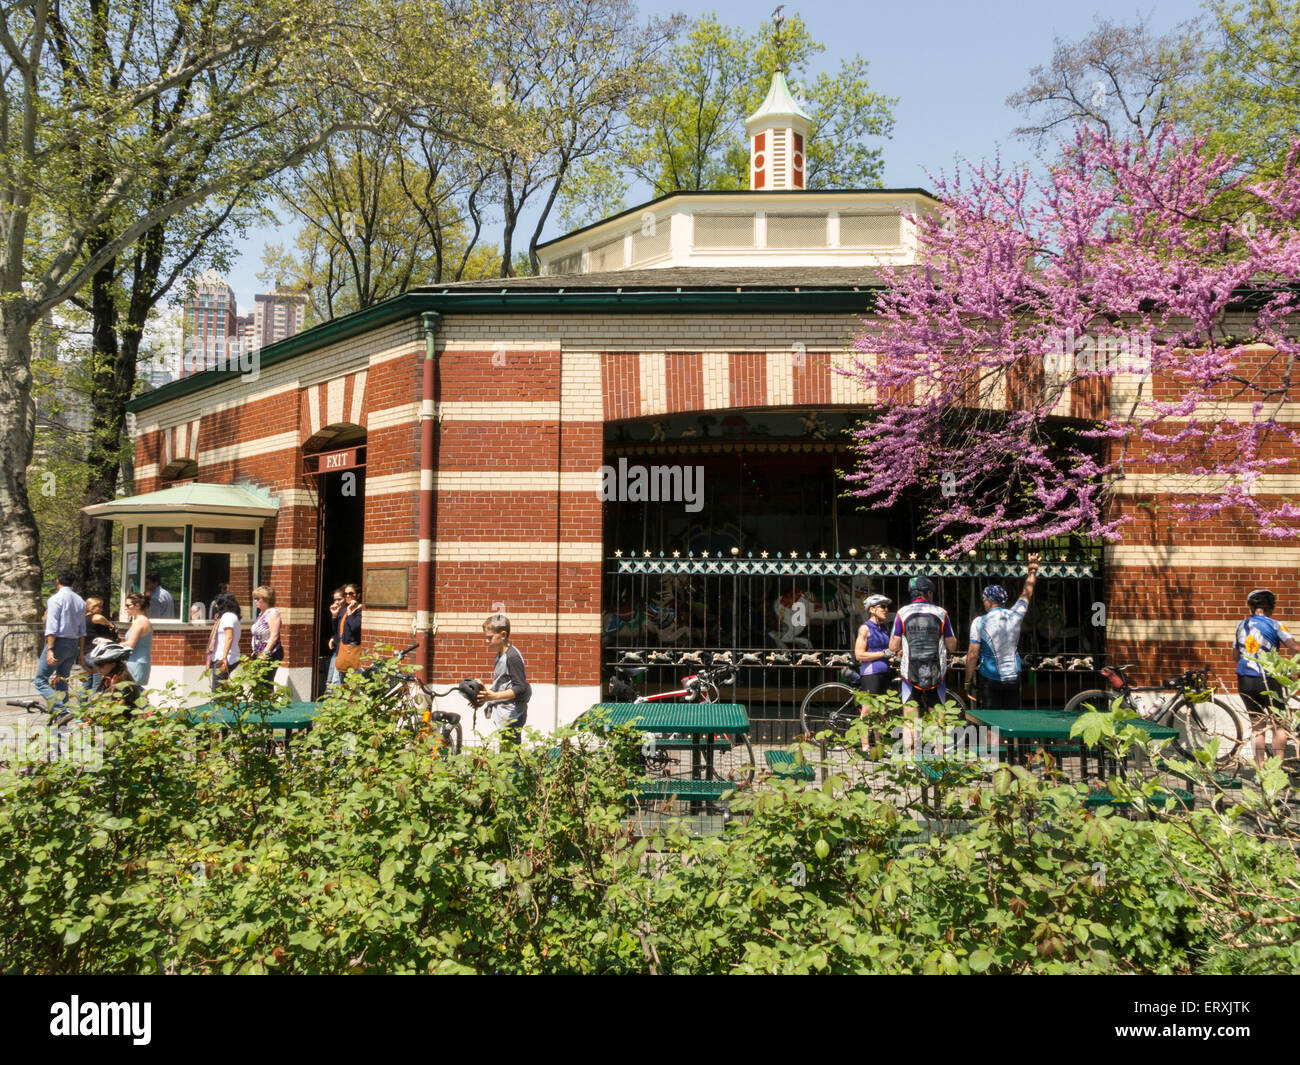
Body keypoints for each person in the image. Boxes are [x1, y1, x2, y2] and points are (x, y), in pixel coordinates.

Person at [965, 553, 1041, 709]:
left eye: (984, 599)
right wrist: (1032, 570)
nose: (984, 602)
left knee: (991, 724)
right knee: (1010, 720)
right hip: (1013, 676)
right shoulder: (1015, 615)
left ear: (990, 601)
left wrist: (967, 680)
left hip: (990, 677)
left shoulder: (979, 622)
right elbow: (1027, 593)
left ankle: (993, 735)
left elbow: (972, 654)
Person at [1235, 588, 1297, 769]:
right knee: (1279, 725)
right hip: (1268, 679)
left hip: (1245, 680)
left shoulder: (1241, 625)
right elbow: (1293, 646)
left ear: (1252, 607)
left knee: (1257, 727)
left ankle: (1260, 771)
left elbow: (1234, 656)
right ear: (1271, 608)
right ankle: (1276, 769)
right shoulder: (1276, 624)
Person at [888, 576, 958, 710]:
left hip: (910, 671)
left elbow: (893, 646)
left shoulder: (902, 613)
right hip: (936, 673)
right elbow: (952, 646)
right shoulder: (941, 613)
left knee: (910, 720)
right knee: (937, 718)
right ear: (929, 593)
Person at [34, 570, 86, 708]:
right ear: (73, 583)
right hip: (73, 644)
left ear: (57, 581)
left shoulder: (55, 600)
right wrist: (80, 653)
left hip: (58, 643)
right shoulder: (80, 601)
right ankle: (62, 721)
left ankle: (59, 708)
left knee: (40, 681)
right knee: (62, 681)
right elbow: (82, 630)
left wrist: (50, 649)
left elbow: (52, 626)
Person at [477, 613, 529, 745]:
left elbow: (520, 688)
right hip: (504, 712)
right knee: (506, 755)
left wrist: (493, 696)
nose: (486, 641)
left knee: (510, 759)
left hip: (513, 715)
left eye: (490, 638)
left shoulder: (512, 657)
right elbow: (503, 683)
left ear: (503, 635)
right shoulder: (500, 654)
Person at [854, 594, 895, 697]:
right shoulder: (865, 628)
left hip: (885, 673)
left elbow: (889, 650)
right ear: (872, 609)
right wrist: (882, 654)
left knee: (882, 710)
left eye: (887, 607)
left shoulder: (884, 628)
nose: (886, 610)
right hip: (871, 674)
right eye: (882, 607)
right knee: (869, 710)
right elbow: (859, 655)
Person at [87, 640, 141, 716]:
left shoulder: (123, 681)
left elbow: (116, 709)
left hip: (122, 724)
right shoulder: (109, 678)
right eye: (95, 664)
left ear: (113, 664)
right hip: (105, 723)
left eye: (100, 664)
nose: (97, 668)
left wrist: (98, 710)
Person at [250, 586, 283, 698]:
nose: (255, 601)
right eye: (254, 598)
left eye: (258, 598)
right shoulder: (261, 613)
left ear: (266, 599)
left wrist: (265, 653)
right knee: (257, 683)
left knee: (265, 683)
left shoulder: (273, 613)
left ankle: (268, 707)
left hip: (271, 653)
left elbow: (274, 636)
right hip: (258, 653)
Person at [82, 597, 120, 693]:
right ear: (92, 607)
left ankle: (81, 706)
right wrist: (111, 625)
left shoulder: (82, 619)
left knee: (86, 684)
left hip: (86, 654)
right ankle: (94, 707)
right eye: (99, 607)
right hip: (96, 654)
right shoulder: (95, 617)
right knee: (97, 685)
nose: (101, 609)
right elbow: (100, 618)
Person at [207, 592, 242, 690]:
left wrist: (224, 658)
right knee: (222, 689)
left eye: (218, 603)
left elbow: (229, 637)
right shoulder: (229, 616)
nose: (216, 606)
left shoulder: (228, 617)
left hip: (225, 657)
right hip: (224, 656)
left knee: (217, 690)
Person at [120, 591, 154, 686]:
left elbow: (130, 644)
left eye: (128, 605)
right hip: (137, 662)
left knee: (132, 693)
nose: (125, 608)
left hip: (136, 663)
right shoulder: (142, 620)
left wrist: (109, 644)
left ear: (137, 605)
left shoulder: (139, 621)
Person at [333, 584, 362, 677]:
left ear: (358, 595)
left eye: (351, 594)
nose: (348, 596)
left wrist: (350, 612)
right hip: (341, 651)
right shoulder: (343, 611)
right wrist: (334, 617)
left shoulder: (360, 610)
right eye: (345, 594)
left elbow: (354, 627)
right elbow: (337, 630)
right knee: (335, 683)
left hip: (352, 652)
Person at [325, 587, 345, 686]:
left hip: (342, 651)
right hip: (337, 650)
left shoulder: (347, 612)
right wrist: (334, 616)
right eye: (335, 600)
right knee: (329, 681)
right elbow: (336, 630)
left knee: (335, 682)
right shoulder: (339, 612)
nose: (336, 602)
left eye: (339, 599)